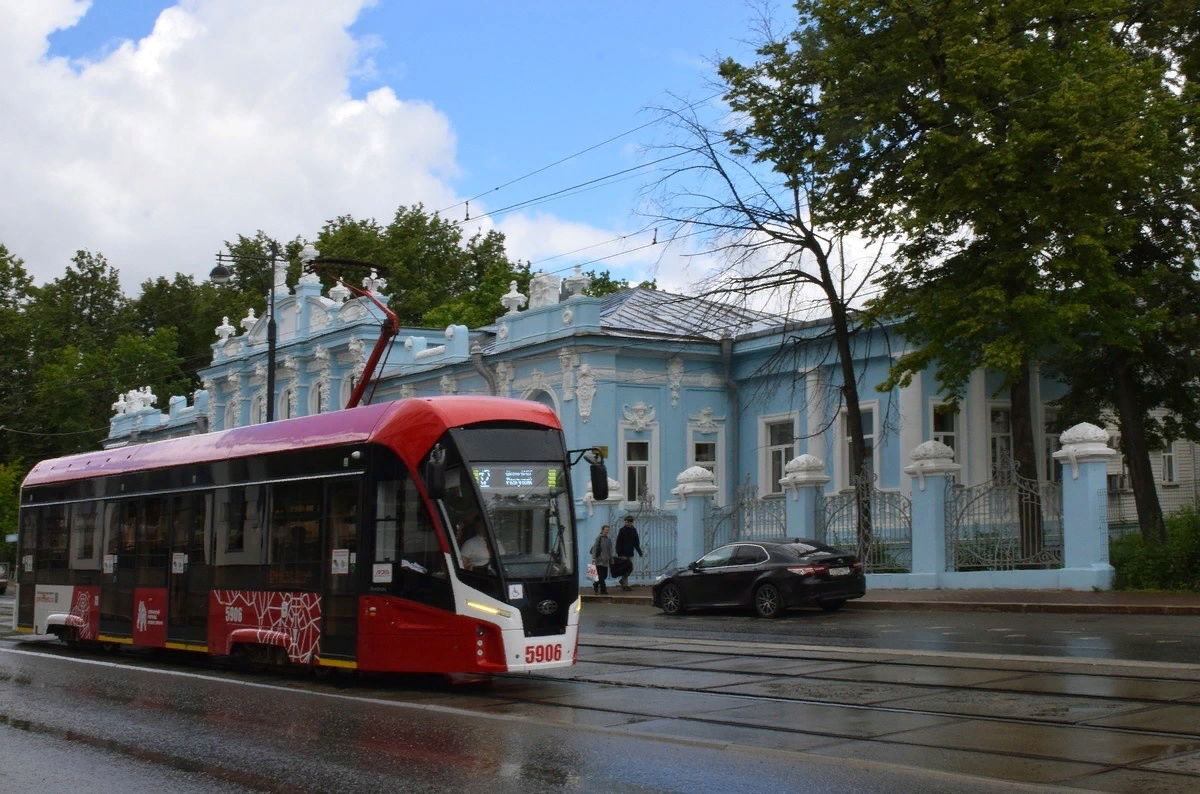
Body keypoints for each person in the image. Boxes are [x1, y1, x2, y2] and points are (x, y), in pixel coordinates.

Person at [613, 515, 643, 591]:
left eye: (627, 522)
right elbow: (618, 542)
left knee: (630, 568)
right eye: (625, 522)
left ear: (631, 522)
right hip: (623, 553)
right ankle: (625, 585)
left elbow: (636, 542)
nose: (626, 523)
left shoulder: (634, 530)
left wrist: (639, 551)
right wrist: (618, 552)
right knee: (625, 569)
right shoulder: (622, 530)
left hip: (630, 553)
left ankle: (623, 581)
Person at [589, 524, 613, 595]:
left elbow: (610, 550)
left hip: (605, 561)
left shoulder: (609, 540)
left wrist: (611, 559)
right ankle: (603, 590)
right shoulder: (598, 538)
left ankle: (596, 584)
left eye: (608, 530)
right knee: (601, 576)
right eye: (606, 530)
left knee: (604, 576)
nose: (607, 531)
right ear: (603, 530)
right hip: (599, 561)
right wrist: (593, 558)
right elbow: (594, 549)